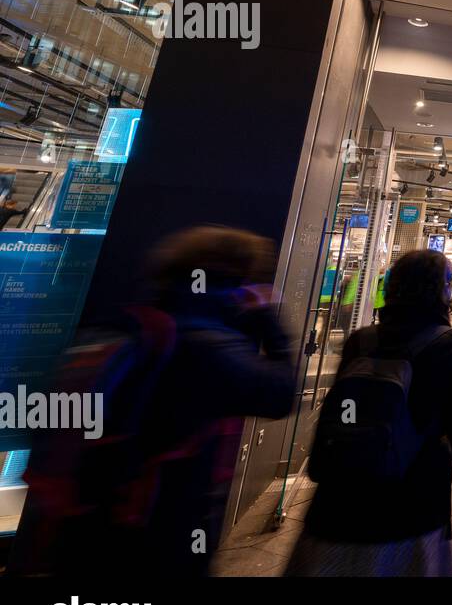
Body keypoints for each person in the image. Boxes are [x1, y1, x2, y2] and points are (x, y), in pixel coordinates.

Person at [12, 226, 297, 577]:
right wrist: (271, 324)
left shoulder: (121, 329)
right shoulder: (210, 347)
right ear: (236, 281)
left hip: (79, 526)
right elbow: (280, 395)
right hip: (156, 533)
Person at [288, 249, 452, 576]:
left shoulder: (361, 341)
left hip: (339, 497)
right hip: (412, 496)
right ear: (441, 290)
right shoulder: (450, 344)